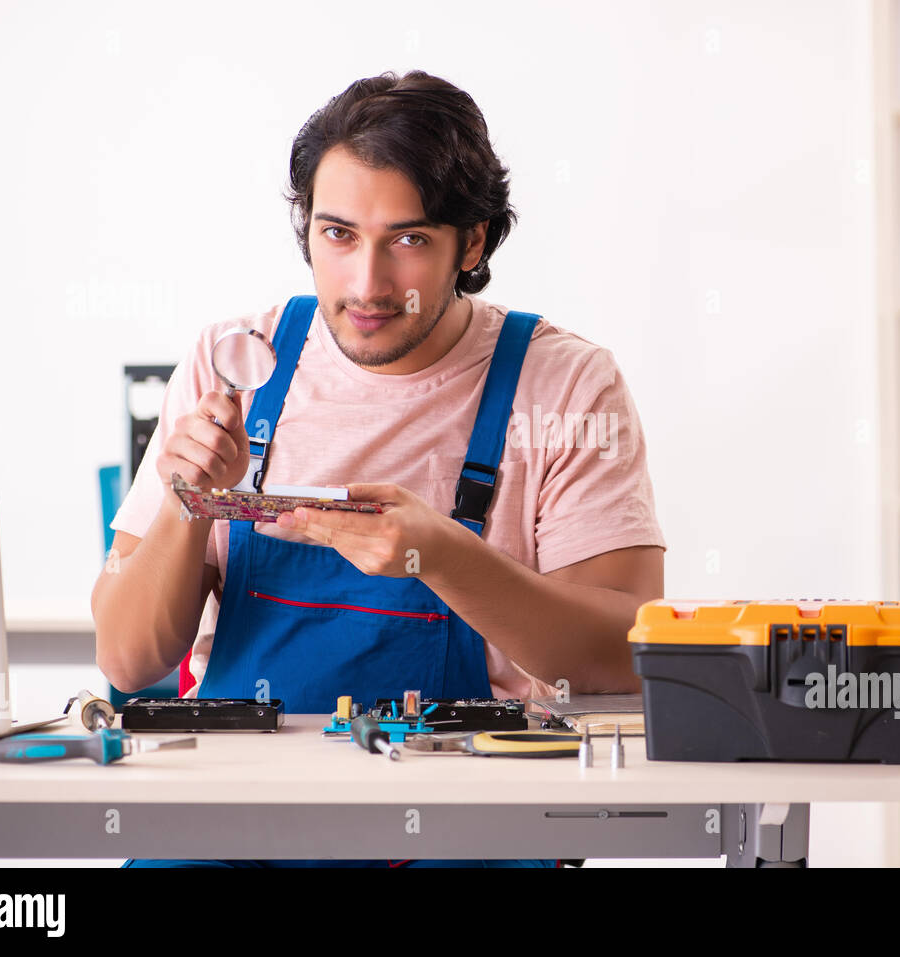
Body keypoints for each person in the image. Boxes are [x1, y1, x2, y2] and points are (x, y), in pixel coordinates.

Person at [91, 70, 666, 867]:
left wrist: (444, 555)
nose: (366, 284)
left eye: (408, 239)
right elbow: (127, 659)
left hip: (472, 822)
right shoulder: (234, 364)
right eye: (338, 236)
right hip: (237, 821)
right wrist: (190, 506)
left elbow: (624, 659)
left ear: (473, 241)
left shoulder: (564, 384)